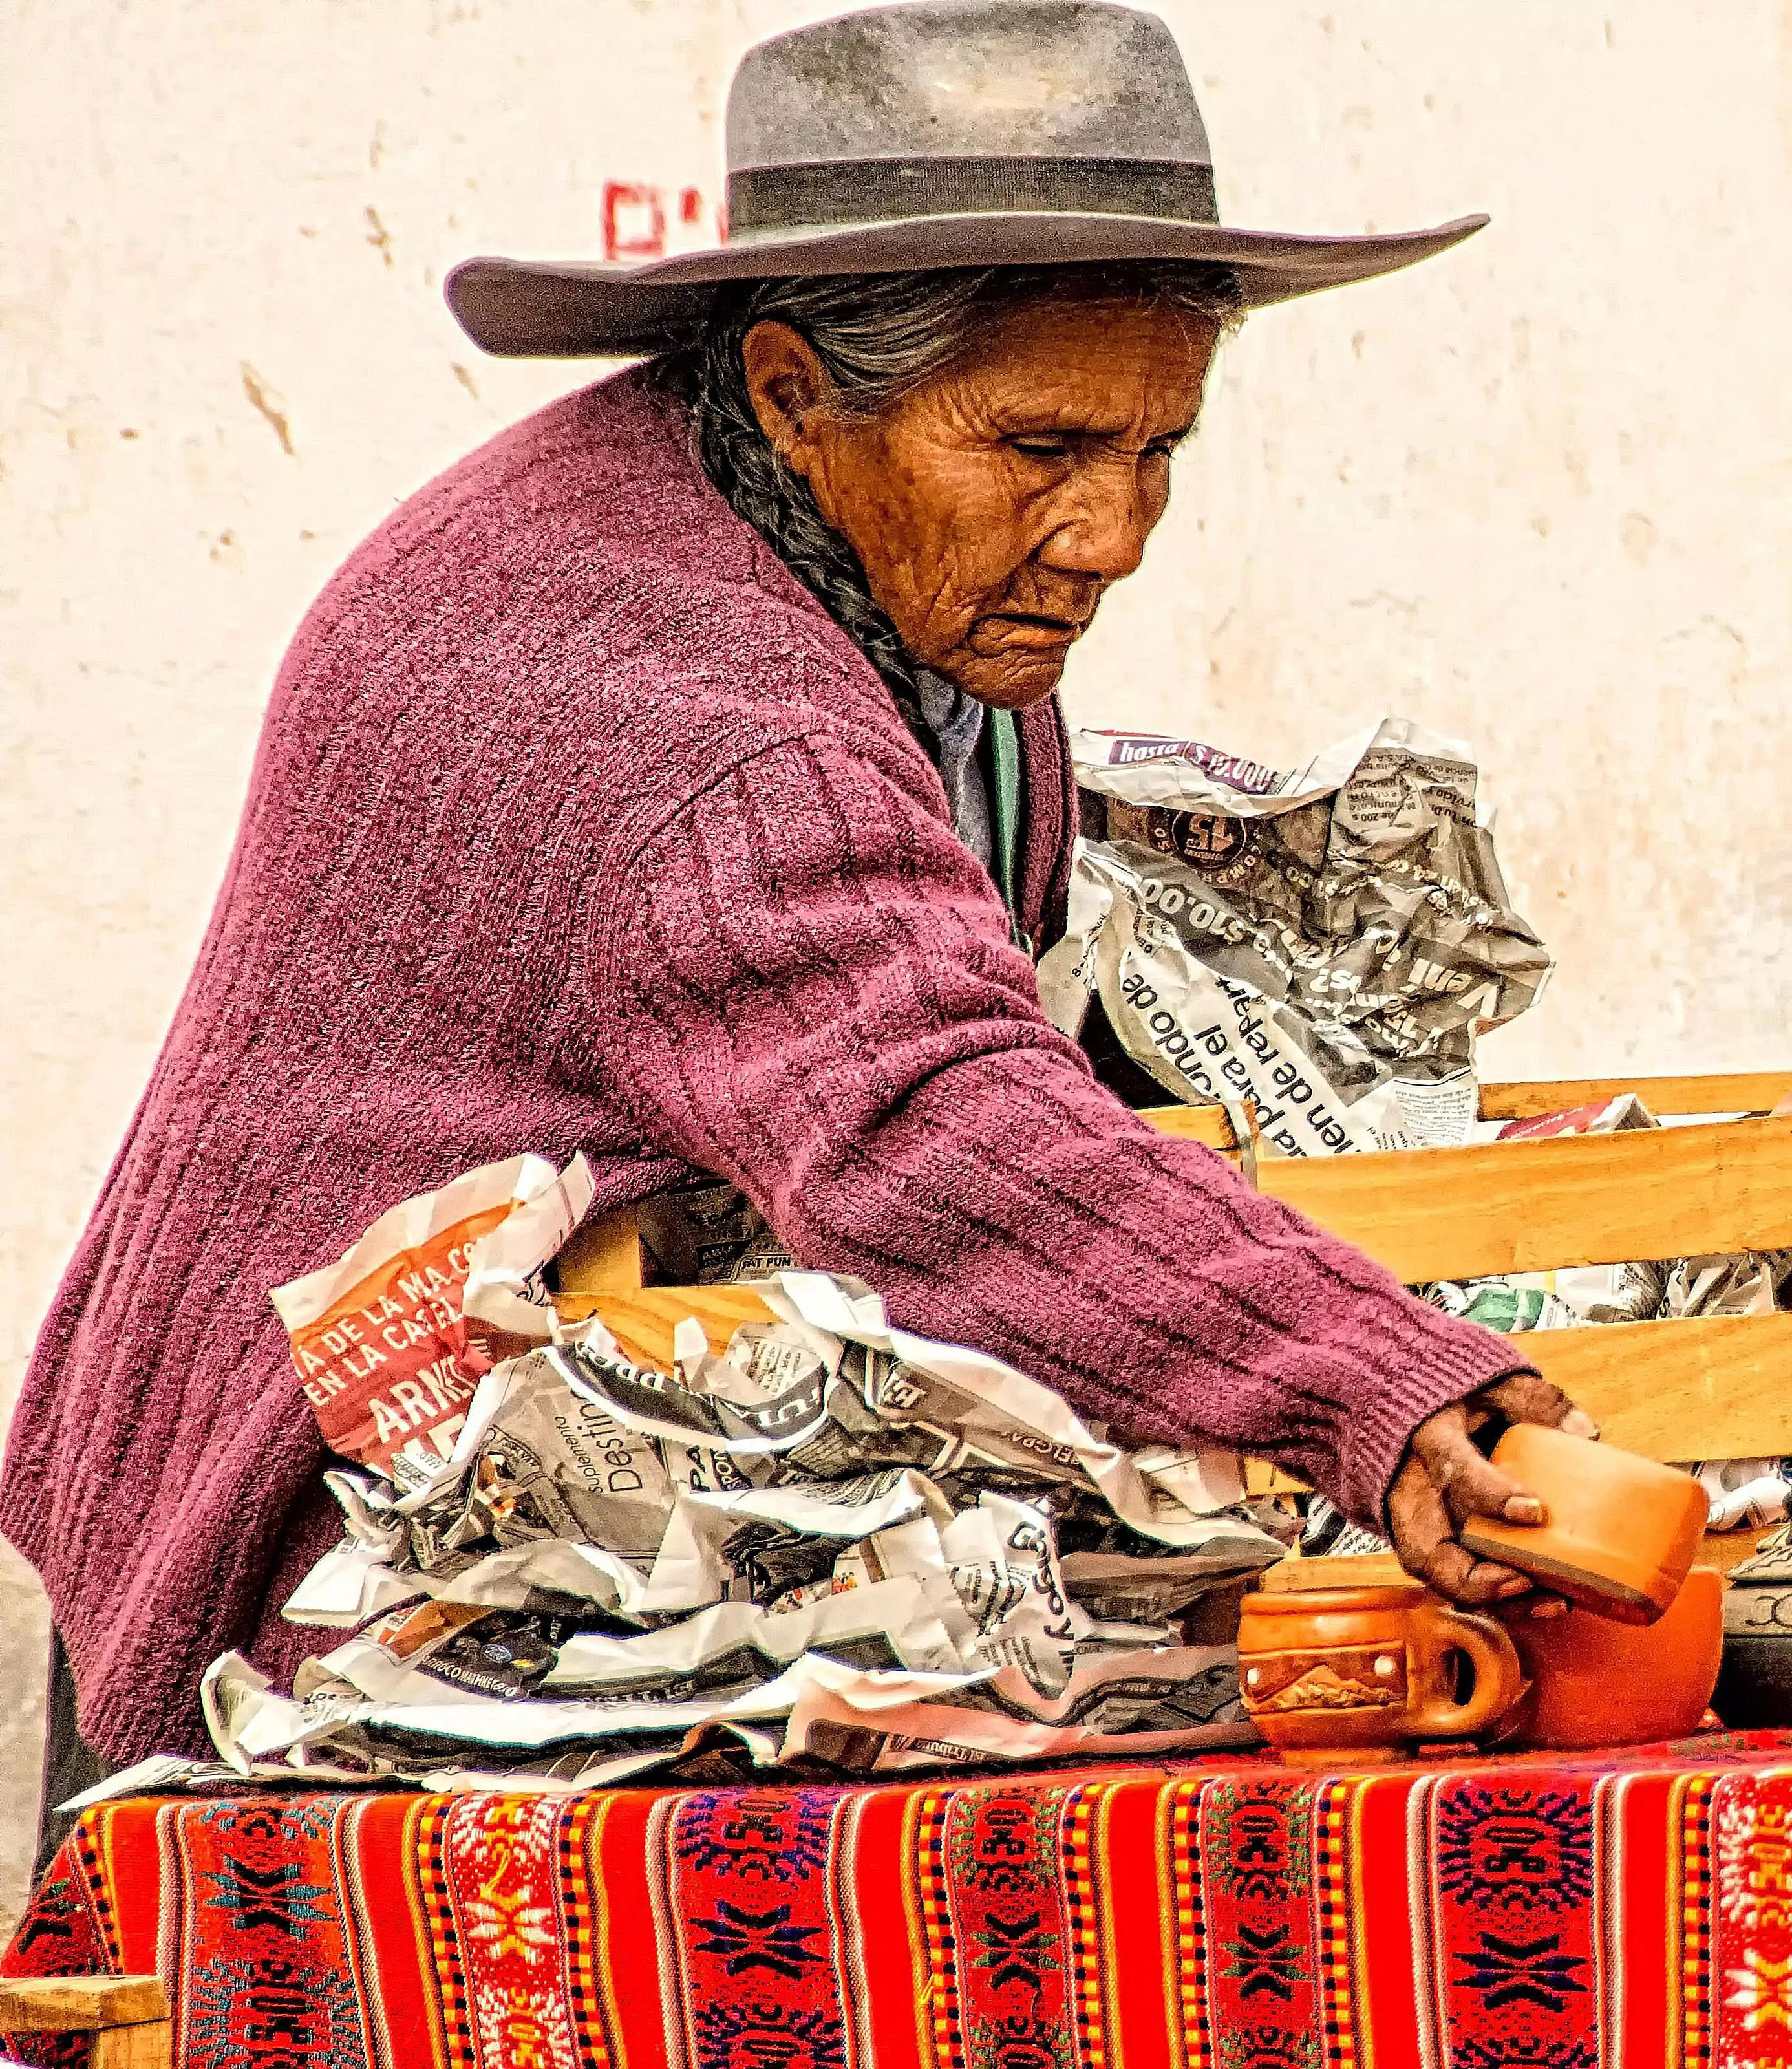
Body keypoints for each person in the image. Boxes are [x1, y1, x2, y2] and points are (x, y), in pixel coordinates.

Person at [0, 0, 1591, 1805]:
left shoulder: (864, 586)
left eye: (1158, 450)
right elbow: (924, 1114)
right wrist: (1385, 1386)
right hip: (322, 1609)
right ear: (790, 391)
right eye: (1045, 445)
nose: (1117, 531)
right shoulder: (683, 704)